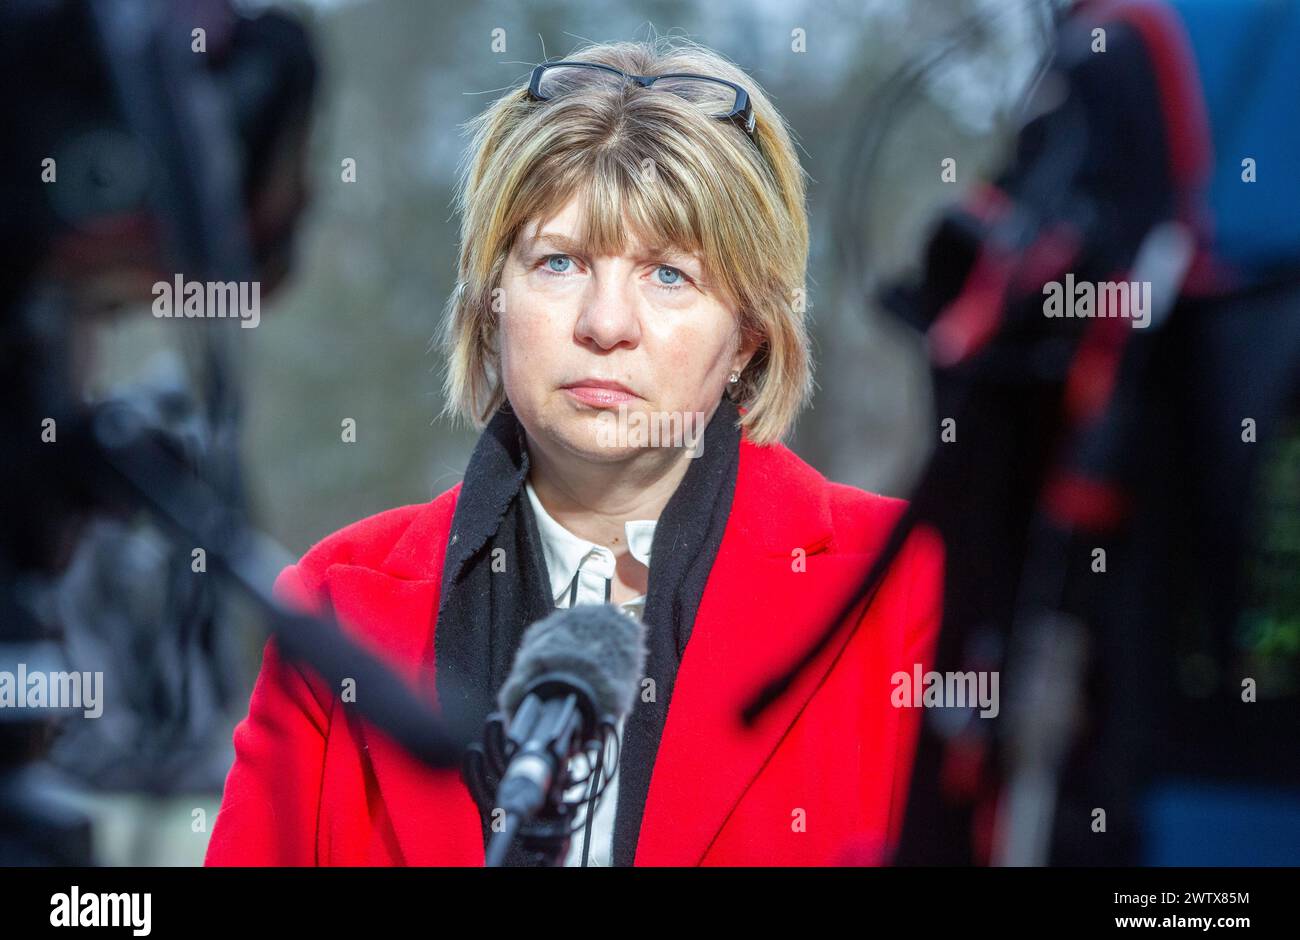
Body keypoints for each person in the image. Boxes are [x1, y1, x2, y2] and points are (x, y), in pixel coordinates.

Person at [205, 37, 943, 867]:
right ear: (492, 302)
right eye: (559, 262)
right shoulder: (335, 607)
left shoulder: (901, 595)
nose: (604, 323)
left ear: (748, 334)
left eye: (669, 276)